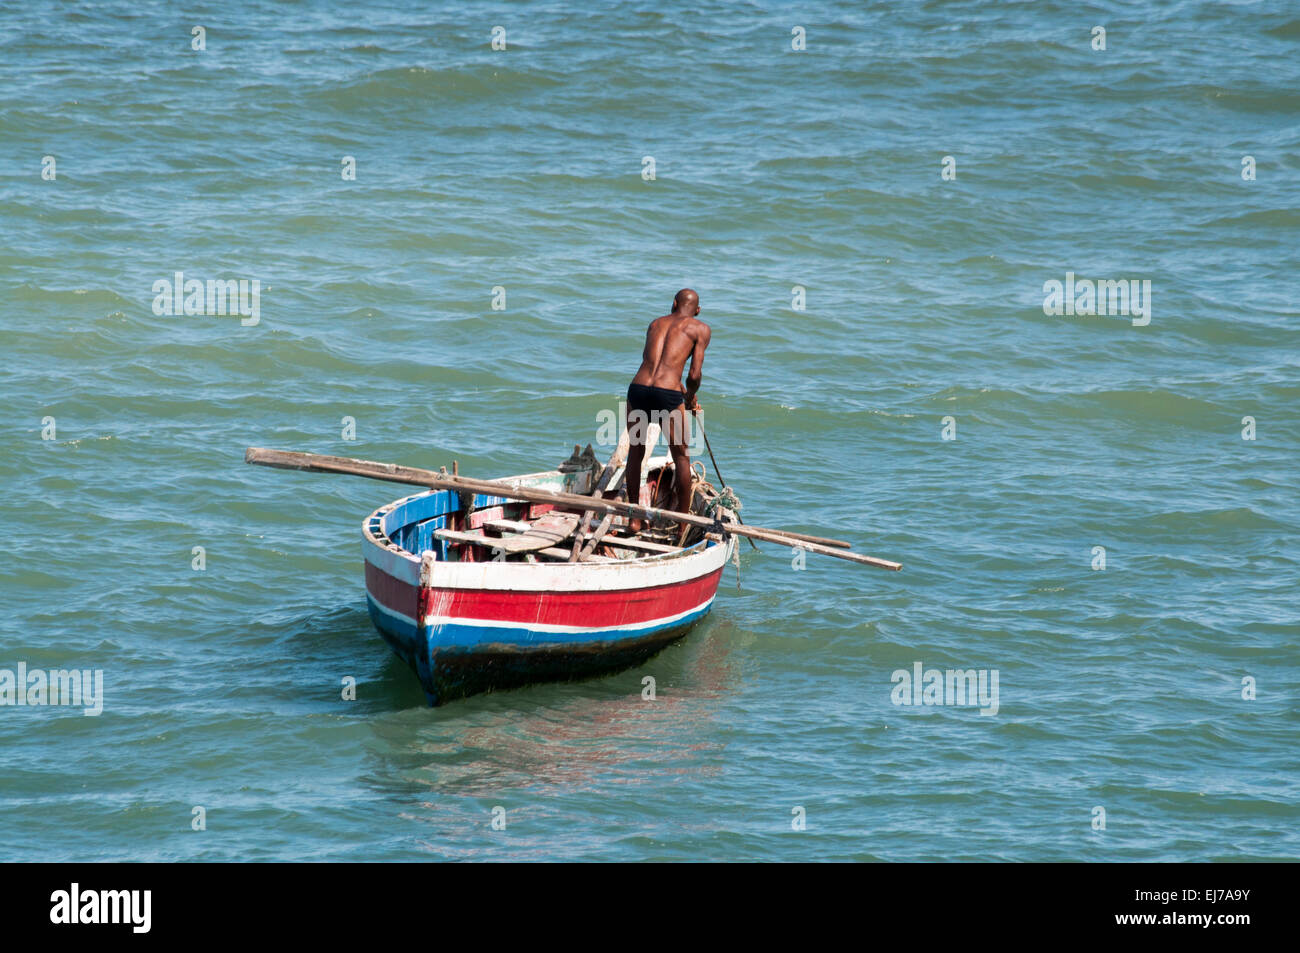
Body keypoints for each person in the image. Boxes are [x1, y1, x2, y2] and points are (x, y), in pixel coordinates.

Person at [621, 288, 711, 535]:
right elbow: (694, 375)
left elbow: (652, 361)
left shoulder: (655, 324)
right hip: (668, 395)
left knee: (636, 454)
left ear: (673, 303)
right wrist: (690, 397)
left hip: (638, 389)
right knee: (682, 458)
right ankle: (682, 525)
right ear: (698, 310)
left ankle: (634, 520)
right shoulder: (700, 328)